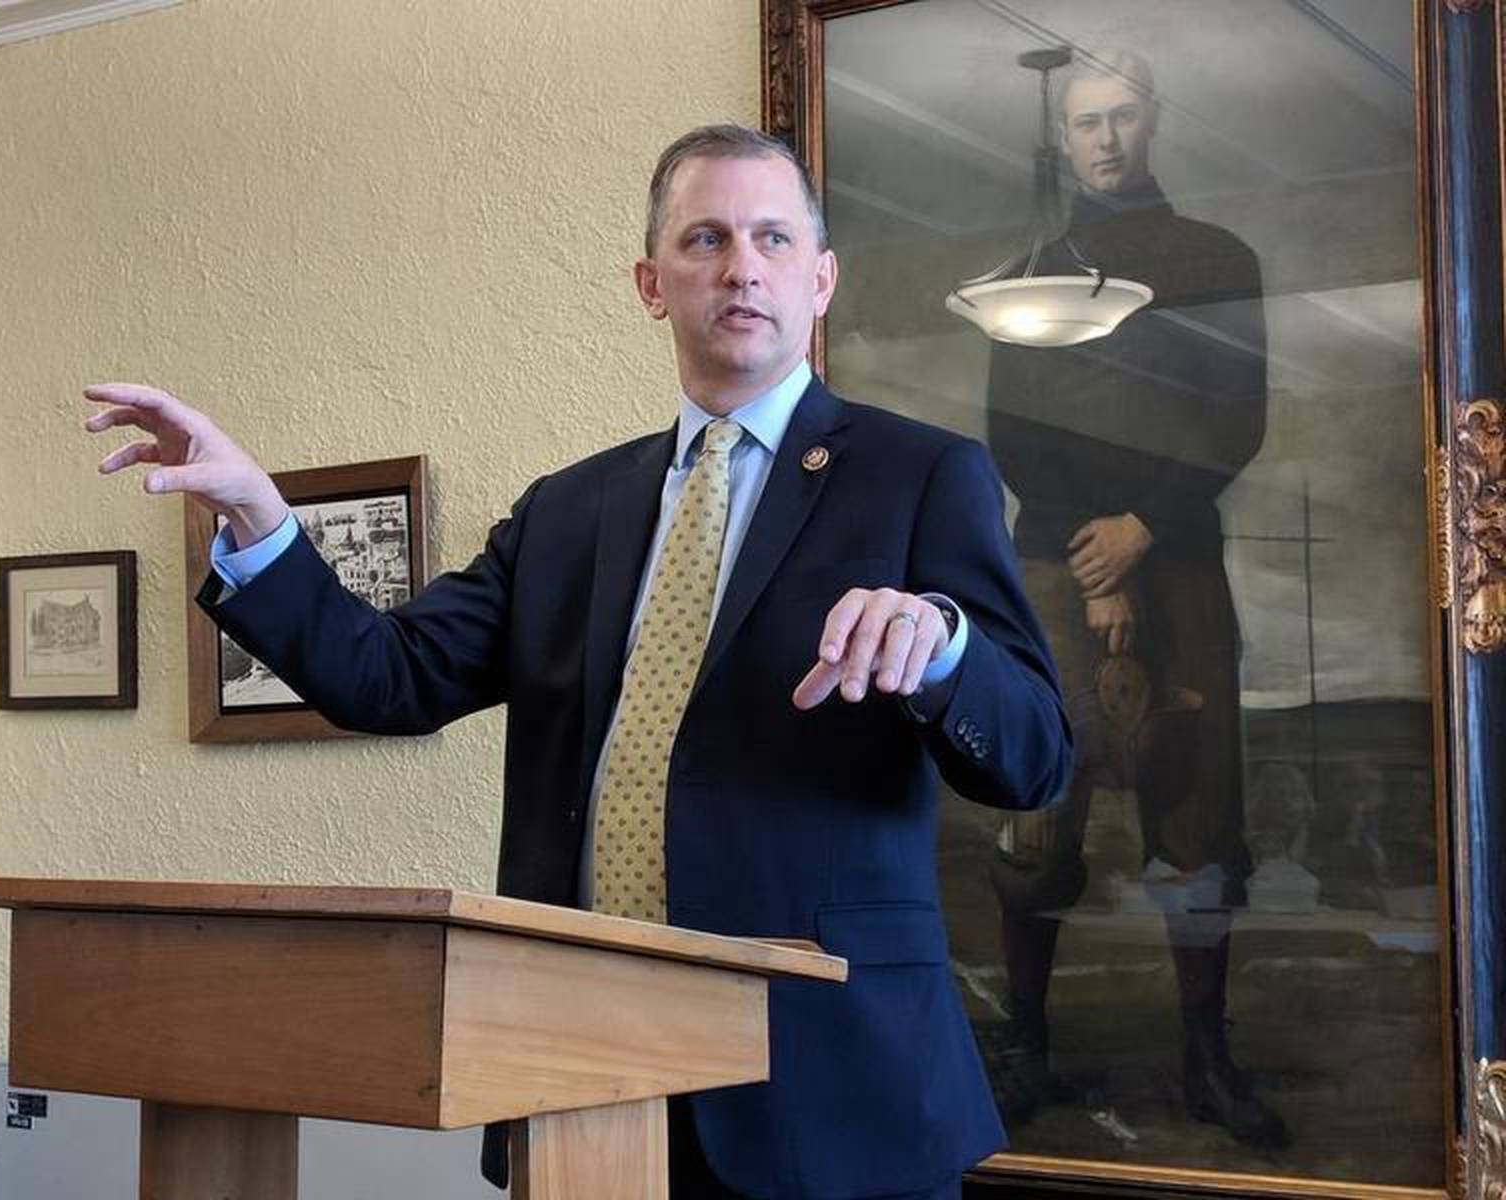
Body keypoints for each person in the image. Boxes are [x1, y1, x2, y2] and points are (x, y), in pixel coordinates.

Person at [87, 124, 1072, 1199]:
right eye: (706, 238)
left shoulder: (922, 476)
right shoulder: (568, 510)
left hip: (829, 1081)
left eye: (772, 238)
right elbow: (391, 676)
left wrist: (943, 653)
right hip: (580, 1070)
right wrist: (260, 520)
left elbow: (1031, 760)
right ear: (653, 284)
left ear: (819, 278)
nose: (742, 265)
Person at [985, 52, 1285, 1147]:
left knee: (1196, 823)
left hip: (1182, 564)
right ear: (1062, 138)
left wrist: (1143, 528)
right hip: (1049, 576)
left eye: (1120, 118)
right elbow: (1011, 434)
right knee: (1036, 826)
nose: (1103, 139)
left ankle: (1206, 1060)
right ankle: (1025, 1052)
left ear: (1150, 120)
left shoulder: (1216, 259)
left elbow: (1233, 411)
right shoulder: (1027, 269)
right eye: (1084, 123)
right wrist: (1089, 555)